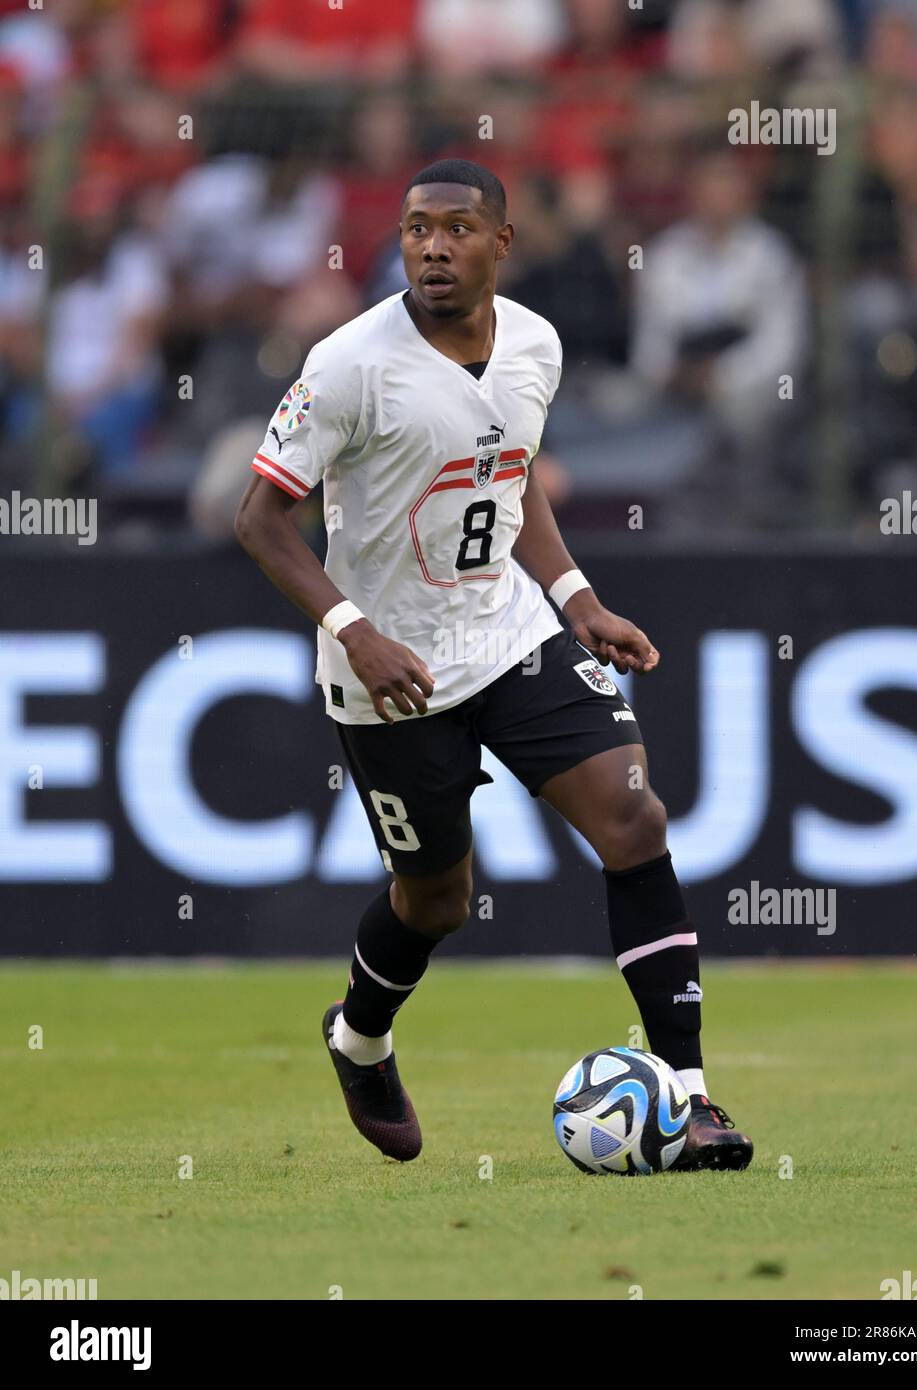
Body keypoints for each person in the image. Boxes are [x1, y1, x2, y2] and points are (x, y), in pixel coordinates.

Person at [234, 158, 752, 1172]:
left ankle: (690, 1098)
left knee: (634, 817)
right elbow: (258, 520)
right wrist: (354, 628)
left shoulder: (537, 346)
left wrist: (578, 600)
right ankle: (359, 1039)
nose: (433, 246)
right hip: (393, 673)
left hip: (512, 635)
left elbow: (508, 482)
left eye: (458, 228)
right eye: (417, 228)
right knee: (437, 900)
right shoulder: (348, 364)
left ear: (501, 244)